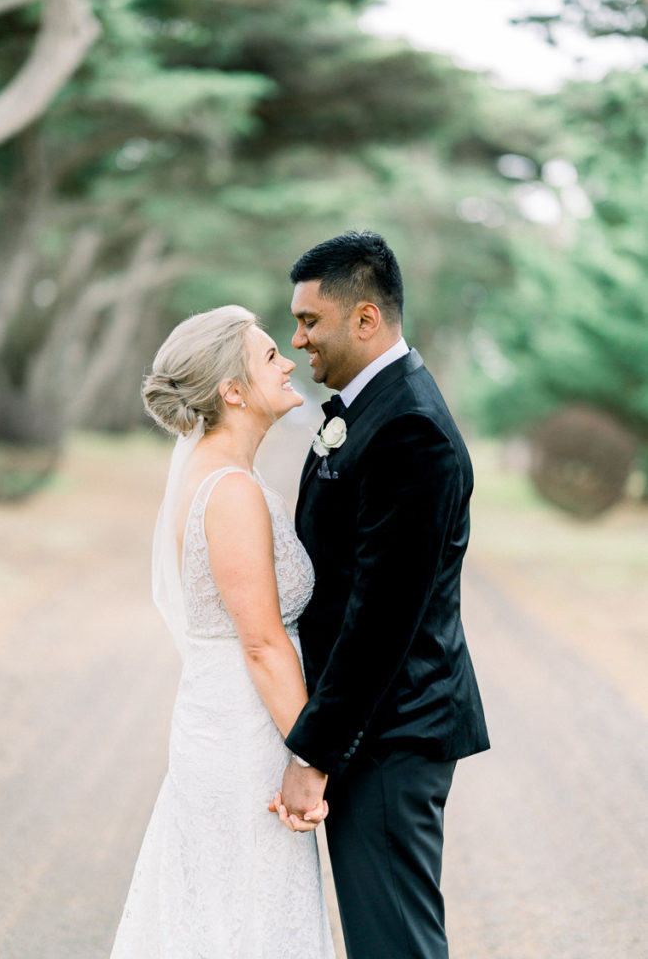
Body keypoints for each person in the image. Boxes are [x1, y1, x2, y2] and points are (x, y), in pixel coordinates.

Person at [278, 231, 490, 959]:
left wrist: (313, 753)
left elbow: (382, 617)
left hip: (393, 732)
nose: (298, 339)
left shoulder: (409, 430)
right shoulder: (364, 409)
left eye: (310, 321)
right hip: (374, 728)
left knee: (393, 945)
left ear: (364, 319)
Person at [110, 305, 335, 959]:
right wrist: (311, 756)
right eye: (269, 356)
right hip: (244, 741)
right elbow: (262, 644)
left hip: (232, 724)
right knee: (242, 922)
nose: (288, 360)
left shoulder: (223, 476)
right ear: (232, 392)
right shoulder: (230, 491)